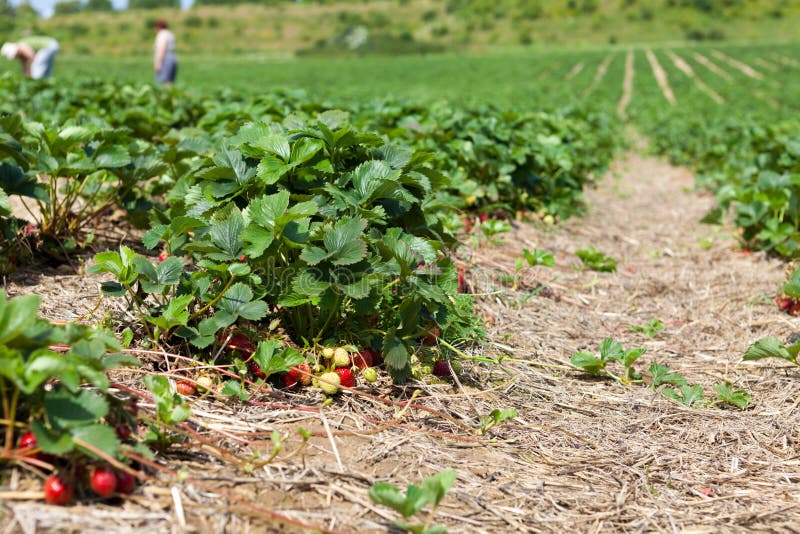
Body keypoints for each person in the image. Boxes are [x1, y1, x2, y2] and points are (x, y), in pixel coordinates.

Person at [153, 19, 177, 85]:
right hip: (172, 58)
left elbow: (162, 48)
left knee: (163, 81)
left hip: (165, 59)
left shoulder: (162, 34)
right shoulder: (170, 34)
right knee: (169, 81)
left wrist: (158, 62)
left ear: (158, 27)